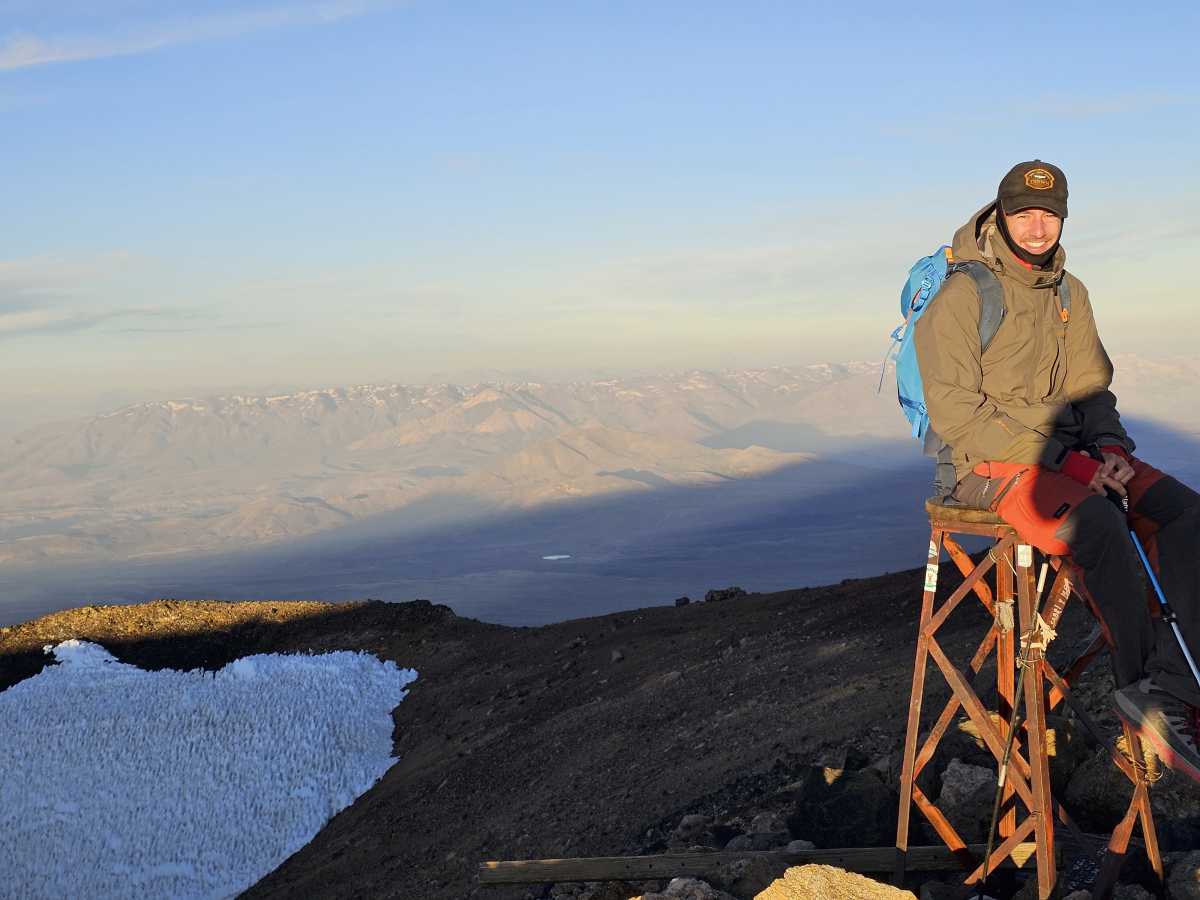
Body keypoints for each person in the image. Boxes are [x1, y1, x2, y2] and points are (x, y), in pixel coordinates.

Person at [913, 160, 1200, 783]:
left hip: (1076, 459)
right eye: (1024, 213)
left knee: (1182, 508)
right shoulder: (963, 295)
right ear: (1002, 214)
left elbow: (1092, 389)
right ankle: (1146, 687)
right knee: (1098, 523)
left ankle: (1189, 676)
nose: (1037, 226)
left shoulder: (1071, 294)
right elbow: (959, 415)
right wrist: (1073, 463)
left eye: (1049, 214)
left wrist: (1111, 448)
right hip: (986, 466)